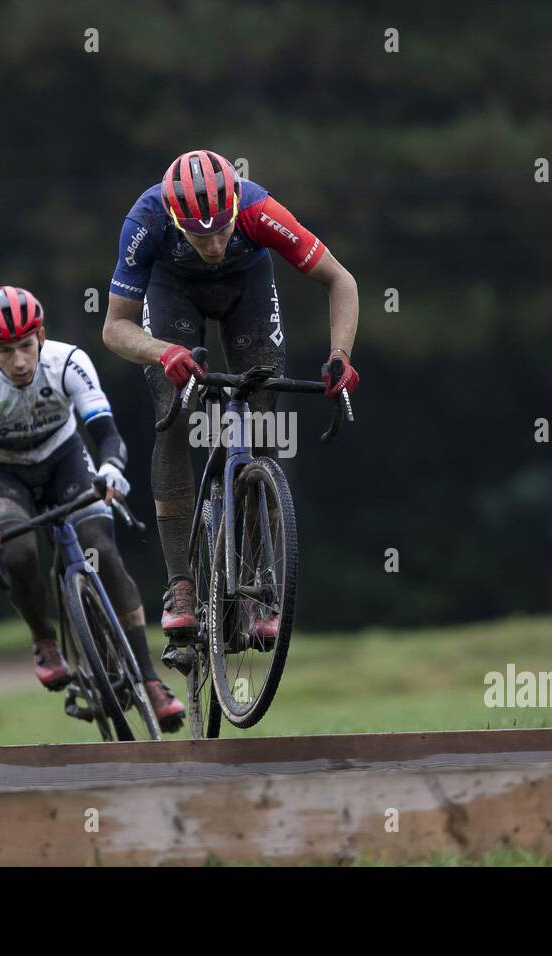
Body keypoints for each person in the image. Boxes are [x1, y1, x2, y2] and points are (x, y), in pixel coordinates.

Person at [101, 148, 360, 660]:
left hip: (247, 292)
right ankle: (181, 585)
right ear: (175, 219)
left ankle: (258, 578)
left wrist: (340, 355)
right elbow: (114, 327)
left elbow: (341, 280)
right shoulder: (147, 219)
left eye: (222, 230)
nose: (215, 244)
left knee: (263, 413)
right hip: (171, 296)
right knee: (172, 418)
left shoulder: (259, 210)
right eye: (200, 236)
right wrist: (163, 352)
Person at [0, 285, 185, 730]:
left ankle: (150, 682)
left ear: (40, 336)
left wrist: (112, 468)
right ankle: (44, 638)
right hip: (3, 475)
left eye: (25, 346)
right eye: (4, 351)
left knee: (102, 550)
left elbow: (106, 432)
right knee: (17, 554)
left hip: (64, 459)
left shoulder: (68, 360)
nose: (19, 361)